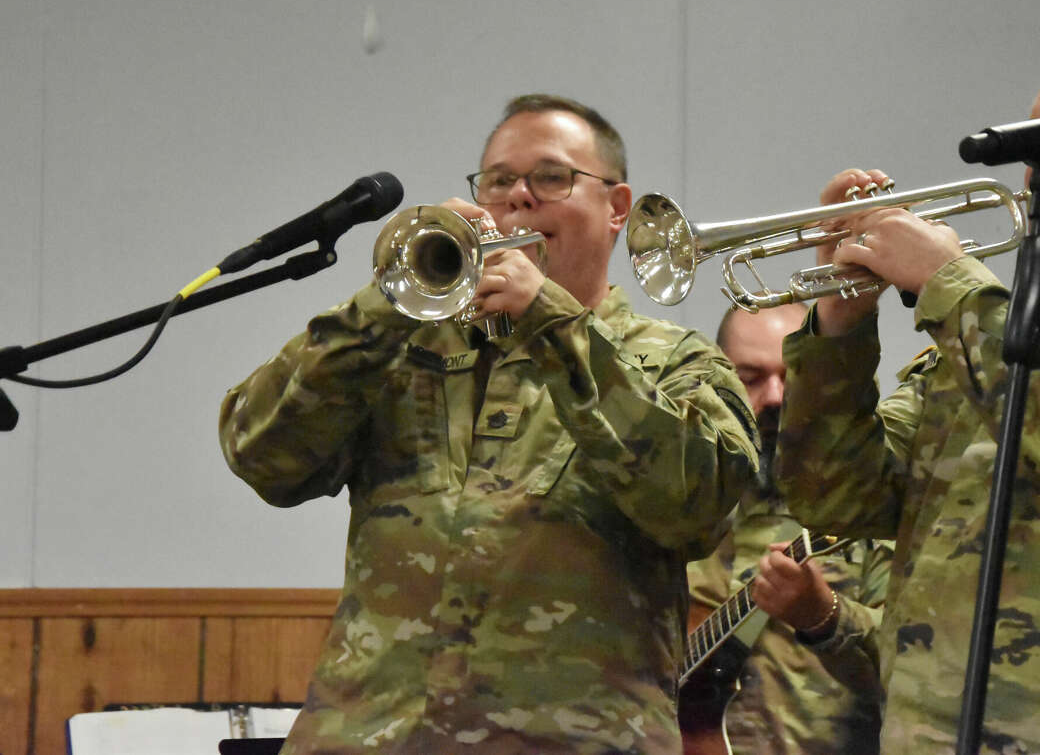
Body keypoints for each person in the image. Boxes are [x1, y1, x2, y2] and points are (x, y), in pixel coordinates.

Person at [219, 93, 759, 754]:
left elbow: (696, 507)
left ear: (617, 209)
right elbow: (261, 454)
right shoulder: (405, 351)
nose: (519, 198)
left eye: (552, 177)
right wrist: (387, 304)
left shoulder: (677, 360)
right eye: (499, 180)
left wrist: (553, 324)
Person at [775, 91, 1040, 754]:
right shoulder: (979, 342)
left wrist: (948, 284)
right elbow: (836, 495)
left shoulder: (974, 317)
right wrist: (841, 322)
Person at [684, 303, 891, 755]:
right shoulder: (680, 504)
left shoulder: (871, 506)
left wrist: (826, 615)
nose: (775, 397)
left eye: (791, 374)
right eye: (751, 377)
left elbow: (926, 660)